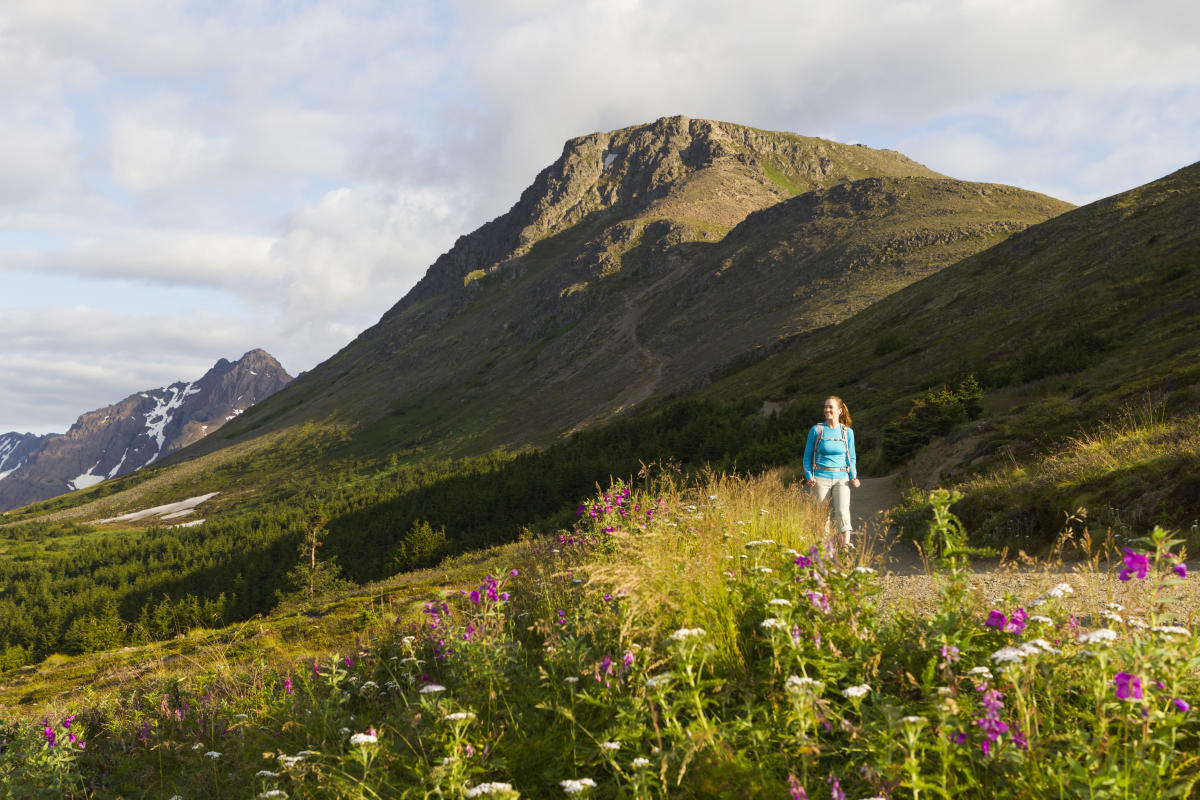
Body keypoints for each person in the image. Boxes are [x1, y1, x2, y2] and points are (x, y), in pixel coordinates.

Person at [802, 396, 860, 548]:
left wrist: (854, 477)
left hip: (843, 479)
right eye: (825, 407)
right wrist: (809, 477)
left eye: (830, 407)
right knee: (821, 516)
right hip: (820, 478)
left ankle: (844, 552)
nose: (827, 410)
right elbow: (807, 457)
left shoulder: (848, 432)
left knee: (842, 514)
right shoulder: (816, 430)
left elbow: (851, 458)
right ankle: (825, 553)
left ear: (839, 411)